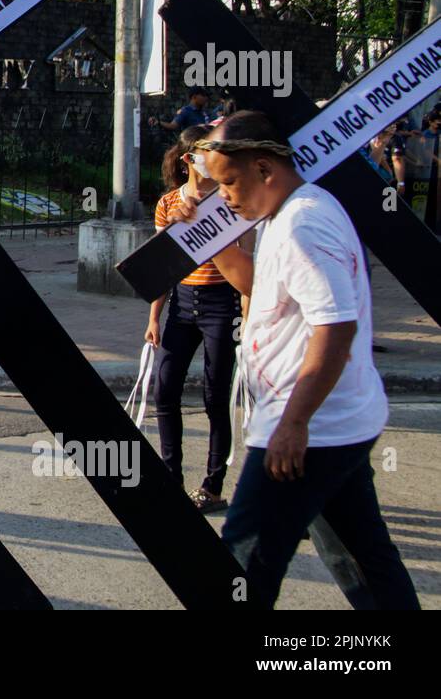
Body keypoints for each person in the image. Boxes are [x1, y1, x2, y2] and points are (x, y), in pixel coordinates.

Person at [168, 109, 419, 609]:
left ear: (264, 168)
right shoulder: (290, 212)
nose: (227, 196)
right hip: (332, 423)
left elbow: (336, 325)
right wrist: (204, 234)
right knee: (362, 558)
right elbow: (262, 289)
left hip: (306, 429)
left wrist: (294, 423)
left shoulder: (303, 224)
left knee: (241, 569)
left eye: (231, 182)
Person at [146, 125, 242, 513]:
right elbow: (160, 269)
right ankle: (171, 477)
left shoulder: (230, 199)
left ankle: (213, 486)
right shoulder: (168, 204)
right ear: (189, 159)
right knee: (165, 391)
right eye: (207, 152)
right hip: (182, 305)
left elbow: (245, 255)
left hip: (223, 302)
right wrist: (154, 317)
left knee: (216, 397)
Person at [149, 86, 214, 133]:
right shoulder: (185, 111)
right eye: (203, 95)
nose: (206, 98)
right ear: (194, 97)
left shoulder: (206, 112)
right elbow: (173, 126)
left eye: (206, 96)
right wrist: (158, 122)